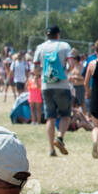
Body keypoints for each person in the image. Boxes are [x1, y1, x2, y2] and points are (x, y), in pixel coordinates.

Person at [32, 26, 73, 157]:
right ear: (58, 34)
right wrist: (64, 72)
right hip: (62, 85)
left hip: (46, 86)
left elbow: (35, 68)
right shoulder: (65, 46)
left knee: (50, 117)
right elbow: (71, 65)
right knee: (65, 115)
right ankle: (60, 138)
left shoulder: (40, 48)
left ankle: (51, 149)